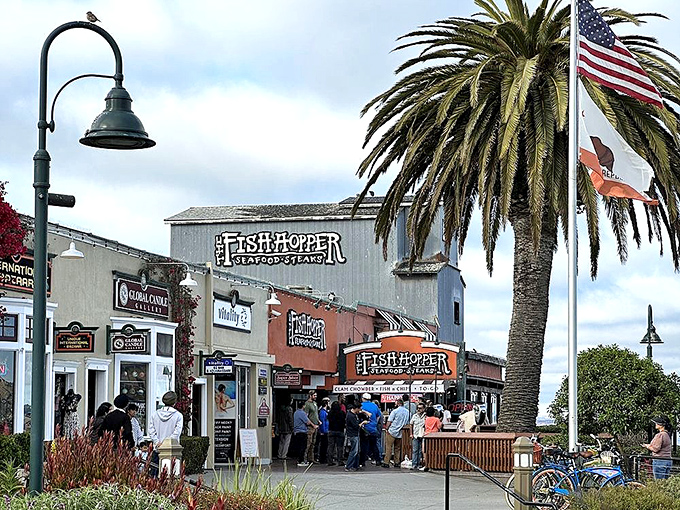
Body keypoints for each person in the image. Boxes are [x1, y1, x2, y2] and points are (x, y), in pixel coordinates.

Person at [383, 398, 410, 467]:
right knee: (397, 448)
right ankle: (396, 462)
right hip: (401, 432)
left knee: (389, 447)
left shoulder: (395, 411)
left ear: (398, 404)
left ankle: (386, 462)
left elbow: (389, 421)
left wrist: (387, 428)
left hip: (392, 431)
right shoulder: (408, 412)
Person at [359, 393, 383, 467]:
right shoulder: (374, 405)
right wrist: (375, 421)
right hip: (373, 428)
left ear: (363, 398)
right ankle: (378, 460)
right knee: (374, 445)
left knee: (364, 446)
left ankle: (362, 462)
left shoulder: (361, 405)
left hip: (364, 428)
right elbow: (379, 415)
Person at [293, 401, 317, 467]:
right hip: (302, 431)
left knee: (299, 446)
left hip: (296, 432)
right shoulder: (302, 413)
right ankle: (301, 461)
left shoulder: (295, 413)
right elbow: (307, 422)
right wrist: (314, 425)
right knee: (303, 447)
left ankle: (299, 460)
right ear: (303, 406)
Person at [345, 404, 367, 471]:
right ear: (356, 408)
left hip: (355, 434)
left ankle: (355, 465)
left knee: (357, 451)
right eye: (359, 409)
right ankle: (348, 466)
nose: (360, 410)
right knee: (354, 451)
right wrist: (362, 423)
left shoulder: (352, 414)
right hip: (353, 434)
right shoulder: (351, 416)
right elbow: (356, 426)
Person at [327, 401, 346, 466]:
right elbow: (344, 421)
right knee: (340, 447)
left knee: (330, 447)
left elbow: (328, 420)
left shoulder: (330, 413)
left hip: (331, 430)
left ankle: (330, 461)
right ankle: (340, 461)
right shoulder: (342, 413)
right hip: (340, 431)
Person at [303, 391, 320, 463]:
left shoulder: (315, 403)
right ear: (310, 395)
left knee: (313, 443)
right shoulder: (307, 404)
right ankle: (304, 458)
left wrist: (318, 421)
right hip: (310, 426)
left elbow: (315, 413)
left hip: (316, 425)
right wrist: (312, 424)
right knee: (308, 443)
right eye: (314, 395)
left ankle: (311, 458)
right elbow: (306, 416)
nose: (315, 397)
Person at [410, 402, 426, 470]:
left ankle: (419, 463)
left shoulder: (426, 416)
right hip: (416, 435)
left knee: (420, 451)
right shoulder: (414, 416)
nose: (419, 410)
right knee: (415, 450)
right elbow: (411, 424)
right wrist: (411, 434)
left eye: (420, 408)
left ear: (424, 409)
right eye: (418, 408)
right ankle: (414, 464)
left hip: (422, 435)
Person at [316, 398, 330, 464]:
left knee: (325, 445)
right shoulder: (322, 412)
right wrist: (323, 431)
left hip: (326, 430)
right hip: (324, 431)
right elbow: (322, 422)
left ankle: (323, 457)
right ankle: (322, 458)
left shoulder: (324, 412)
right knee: (323, 445)